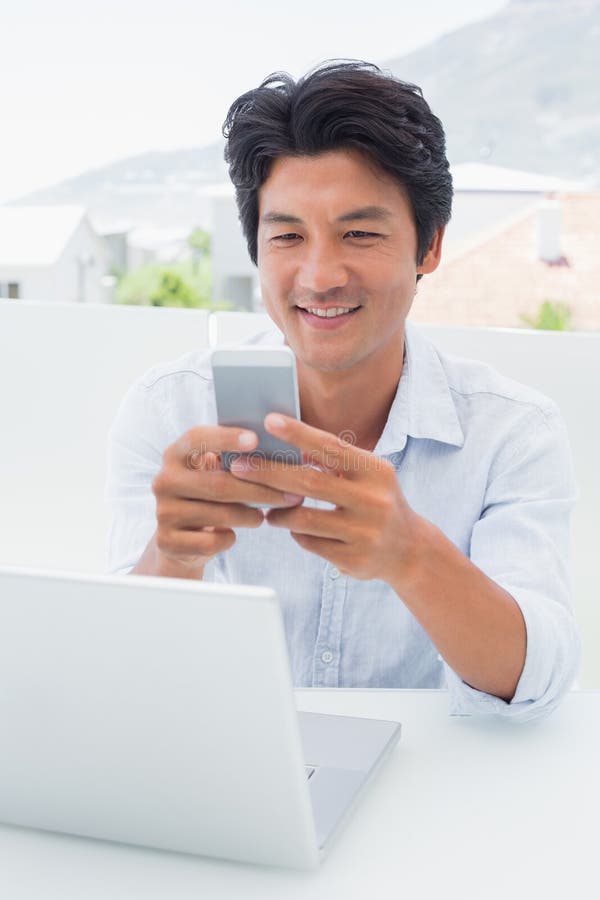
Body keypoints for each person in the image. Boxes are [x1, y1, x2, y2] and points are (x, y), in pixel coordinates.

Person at [106, 60, 580, 720]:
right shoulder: (170, 410)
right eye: (288, 236)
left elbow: (536, 679)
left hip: (429, 793)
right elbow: (123, 676)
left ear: (430, 245)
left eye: (360, 233)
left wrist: (411, 554)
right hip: (228, 778)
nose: (320, 275)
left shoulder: (513, 432)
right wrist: (173, 554)